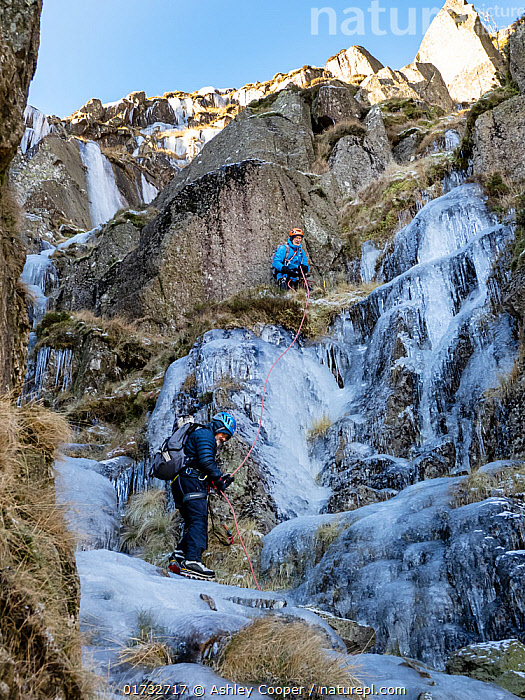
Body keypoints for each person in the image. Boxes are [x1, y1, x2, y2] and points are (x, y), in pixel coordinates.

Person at [168, 412, 236, 580]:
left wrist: (217, 482)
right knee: (199, 520)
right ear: (218, 427)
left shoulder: (199, 435)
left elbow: (200, 464)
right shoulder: (206, 434)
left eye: (227, 437)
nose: (224, 439)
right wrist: (219, 478)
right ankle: (193, 562)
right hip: (190, 482)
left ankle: (178, 557)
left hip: (181, 483)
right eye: (224, 434)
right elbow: (206, 462)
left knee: (192, 522)